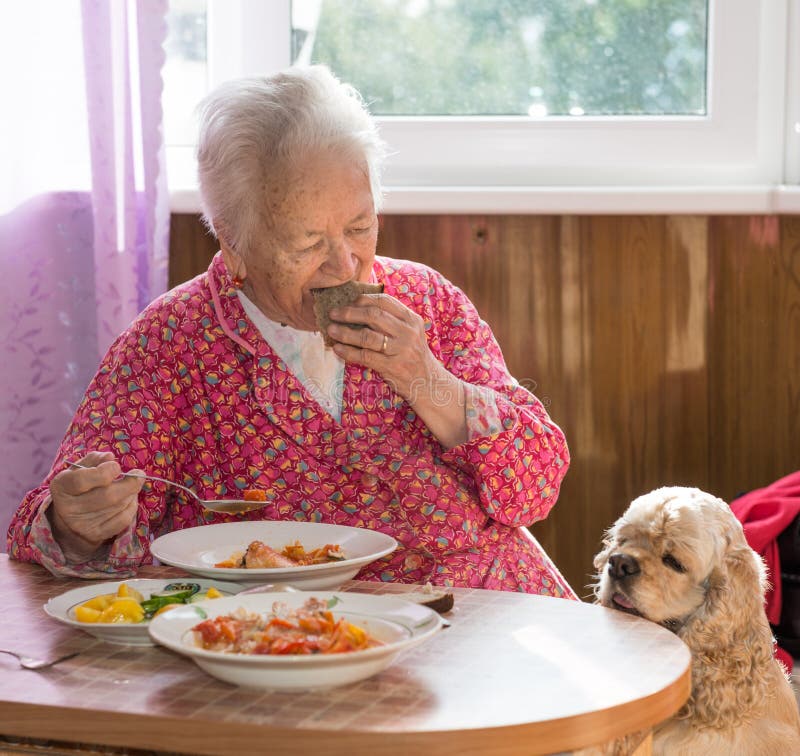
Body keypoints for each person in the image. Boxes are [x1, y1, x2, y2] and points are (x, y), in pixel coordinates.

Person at [7, 65, 574, 598]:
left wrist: (426, 377)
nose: (346, 265)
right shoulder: (170, 343)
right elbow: (63, 532)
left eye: (360, 226)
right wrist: (79, 524)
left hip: (488, 606)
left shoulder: (426, 299)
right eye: (307, 245)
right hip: (287, 636)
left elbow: (536, 487)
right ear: (233, 242)